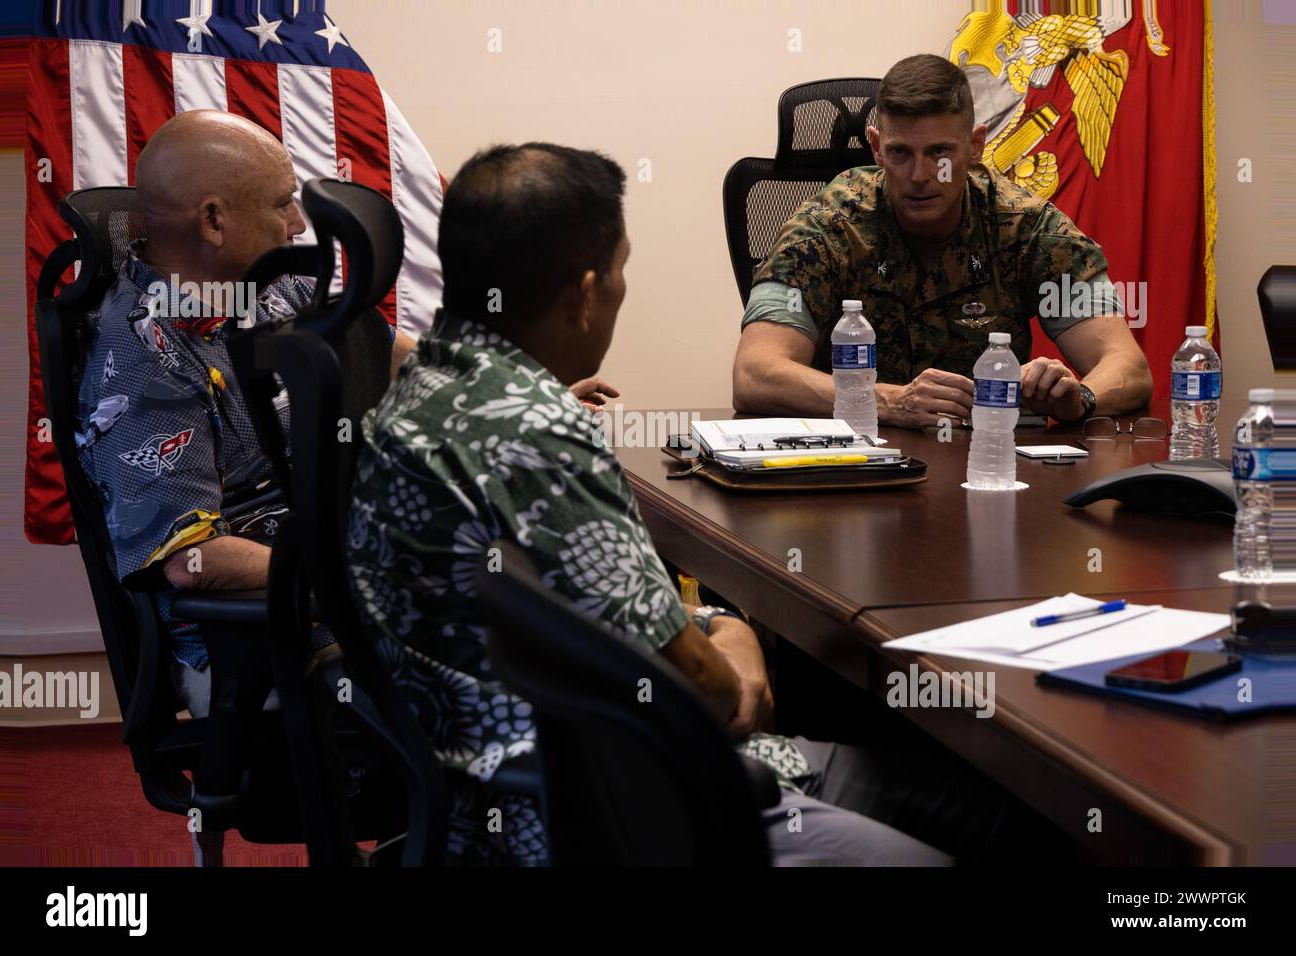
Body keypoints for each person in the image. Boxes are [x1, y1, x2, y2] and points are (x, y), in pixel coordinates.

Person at [346, 142, 973, 866]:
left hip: (511, 780)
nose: (619, 290)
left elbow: (610, 614)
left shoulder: (421, 390)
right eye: (619, 272)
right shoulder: (540, 435)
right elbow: (710, 695)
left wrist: (711, 617)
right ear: (584, 293)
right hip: (618, 808)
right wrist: (733, 638)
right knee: (984, 828)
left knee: (967, 799)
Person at [76, 109, 420, 716]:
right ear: (213, 220)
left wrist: (512, 389)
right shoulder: (142, 358)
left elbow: (383, 351)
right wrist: (361, 582)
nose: (296, 224)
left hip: (330, 554)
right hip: (258, 639)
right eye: (282, 203)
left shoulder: (259, 284)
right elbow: (192, 560)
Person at [732, 53, 1153, 428]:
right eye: (900, 153)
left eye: (940, 153)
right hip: (853, 465)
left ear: (975, 146)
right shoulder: (827, 227)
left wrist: (1079, 398)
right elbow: (755, 372)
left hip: (987, 462)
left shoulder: (1026, 228)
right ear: (877, 149)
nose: (920, 175)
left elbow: (1127, 367)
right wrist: (888, 401)